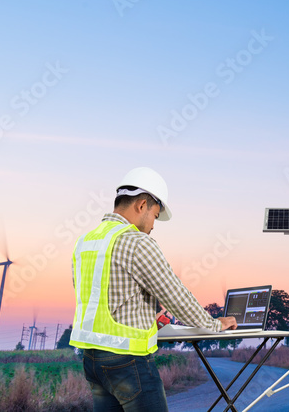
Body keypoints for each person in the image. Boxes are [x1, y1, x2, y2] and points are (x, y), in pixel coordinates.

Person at [70, 167, 236, 411]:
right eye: (155, 216)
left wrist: (148, 315)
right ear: (142, 205)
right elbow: (177, 296)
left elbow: (99, 297)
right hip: (127, 362)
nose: (153, 226)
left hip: (92, 362)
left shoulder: (85, 242)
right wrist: (215, 324)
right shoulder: (137, 241)